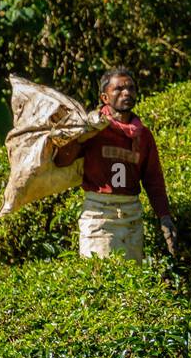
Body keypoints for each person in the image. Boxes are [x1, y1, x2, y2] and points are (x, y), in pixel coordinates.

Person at [54, 67, 179, 260]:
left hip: (132, 216)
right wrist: (76, 138)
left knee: (131, 282)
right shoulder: (92, 128)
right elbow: (62, 161)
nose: (126, 93)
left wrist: (164, 216)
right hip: (99, 215)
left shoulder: (143, 135)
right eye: (119, 89)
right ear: (105, 97)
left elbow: (153, 179)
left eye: (131, 88)